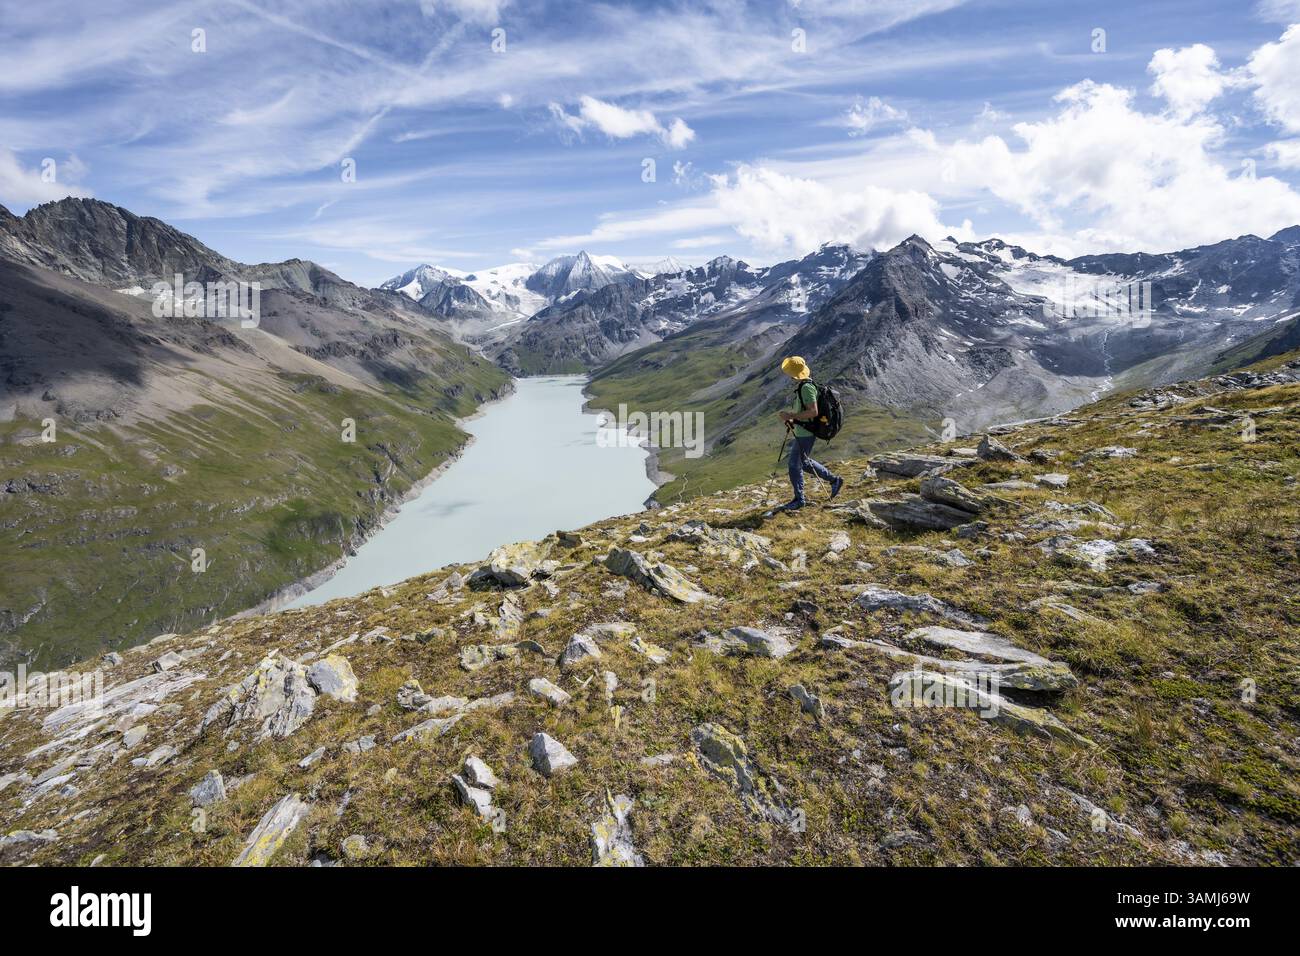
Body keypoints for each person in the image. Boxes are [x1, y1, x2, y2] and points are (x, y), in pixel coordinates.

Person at [777, 356, 843, 511]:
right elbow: (805, 411)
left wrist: (791, 416)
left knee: (794, 465)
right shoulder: (805, 385)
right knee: (804, 462)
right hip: (803, 430)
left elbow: (813, 412)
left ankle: (799, 500)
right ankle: (834, 480)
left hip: (806, 433)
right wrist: (795, 420)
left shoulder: (806, 388)